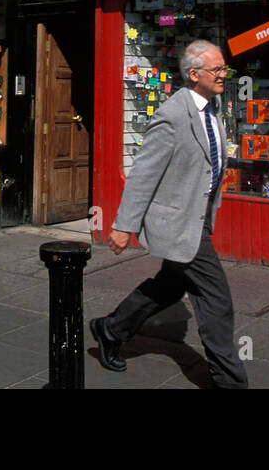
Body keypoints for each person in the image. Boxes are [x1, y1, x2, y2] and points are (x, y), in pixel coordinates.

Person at [90, 39, 248, 388]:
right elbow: (144, 173)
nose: (224, 75)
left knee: (171, 285)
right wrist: (122, 226)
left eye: (224, 68)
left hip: (199, 216)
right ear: (194, 75)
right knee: (215, 301)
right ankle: (230, 382)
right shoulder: (172, 116)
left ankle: (111, 329)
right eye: (216, 70)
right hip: (179, 222)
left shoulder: (212, 106)